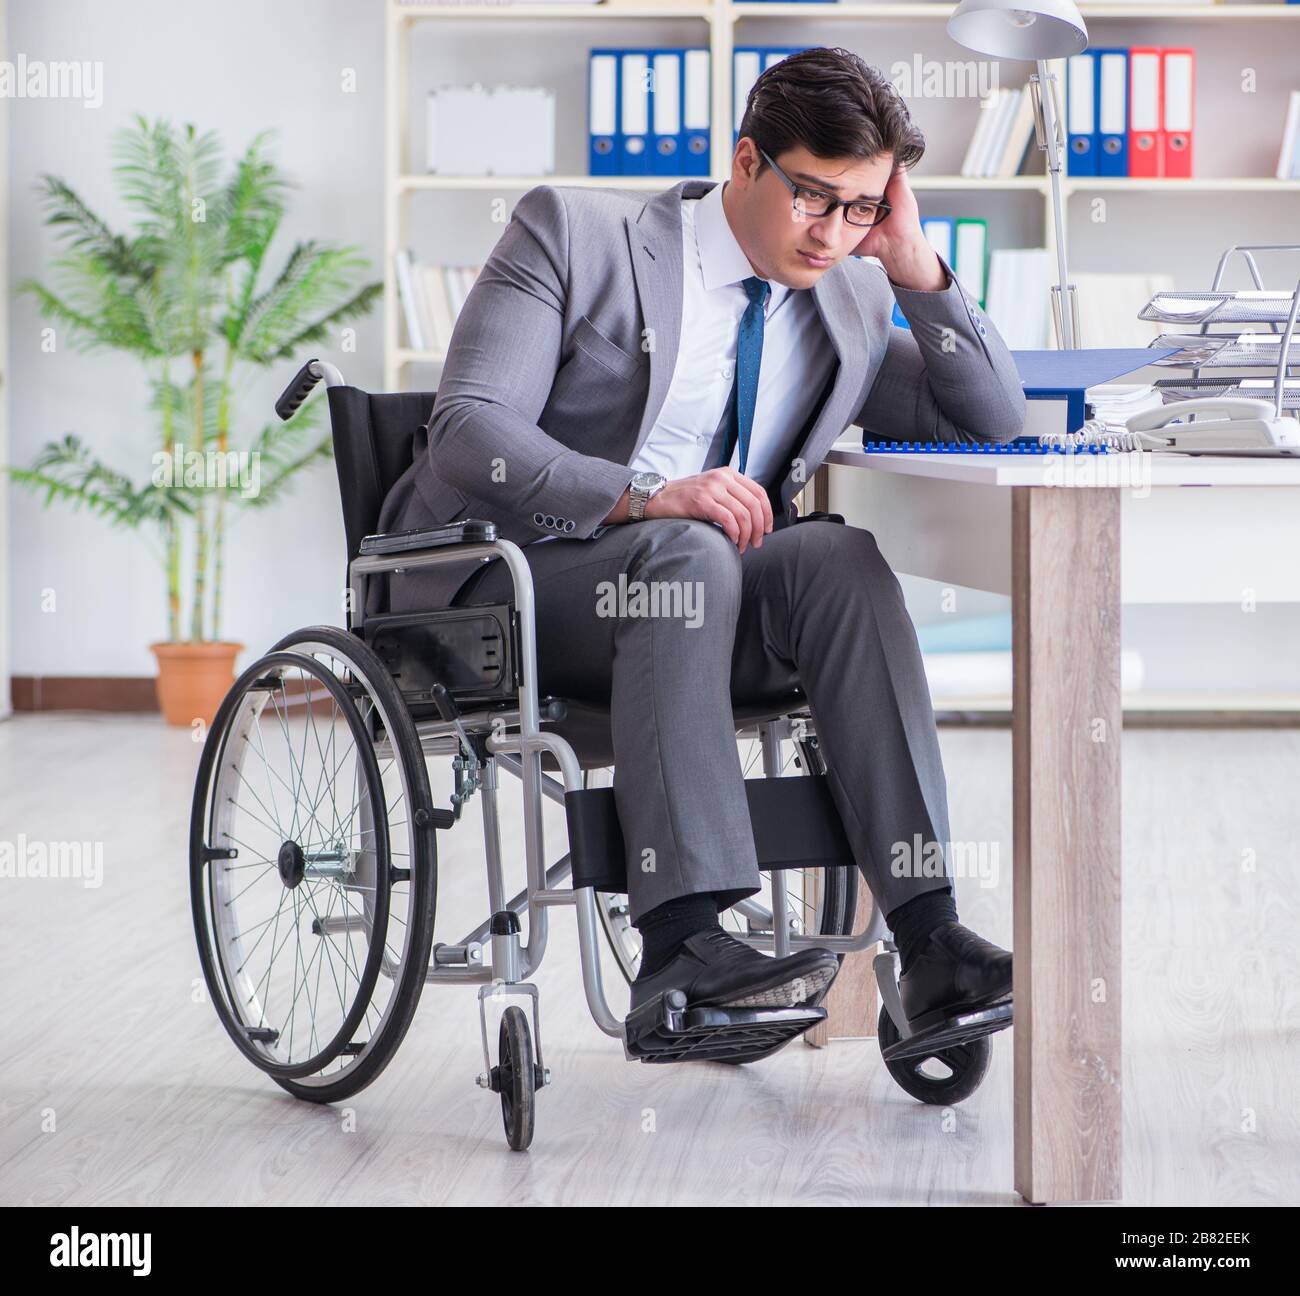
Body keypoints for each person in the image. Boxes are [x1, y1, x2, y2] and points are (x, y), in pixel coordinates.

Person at [378, 46, 1023, 1025]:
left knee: (837, 557)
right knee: (683, 550)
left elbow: (992, 424)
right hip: (510, 580)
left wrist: (914, 267)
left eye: (860, 208)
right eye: (814, 196)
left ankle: (930, 937)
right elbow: (468, 428)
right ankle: (679, 946)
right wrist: (643, 497)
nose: (831, 231)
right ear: (746, 160)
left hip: (694, 601)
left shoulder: (846, 290)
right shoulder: (576, 234)